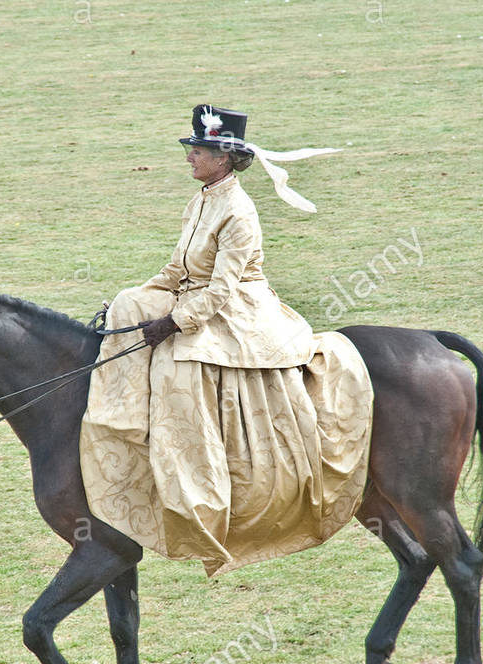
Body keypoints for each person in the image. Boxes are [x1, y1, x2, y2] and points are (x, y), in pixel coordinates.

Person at [79, 104, 373, 576]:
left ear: (224, 158)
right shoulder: (200, 199)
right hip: (198, 297)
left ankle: (200, 496)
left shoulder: (238, 209)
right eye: (192, 148)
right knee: (128, 303)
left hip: (235, 309)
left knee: (180, 367)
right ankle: (121, 423)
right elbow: (179, 268)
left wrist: (175, 322)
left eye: (199, 149)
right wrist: (142, 300)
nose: (190, 156)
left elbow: (222, 287)